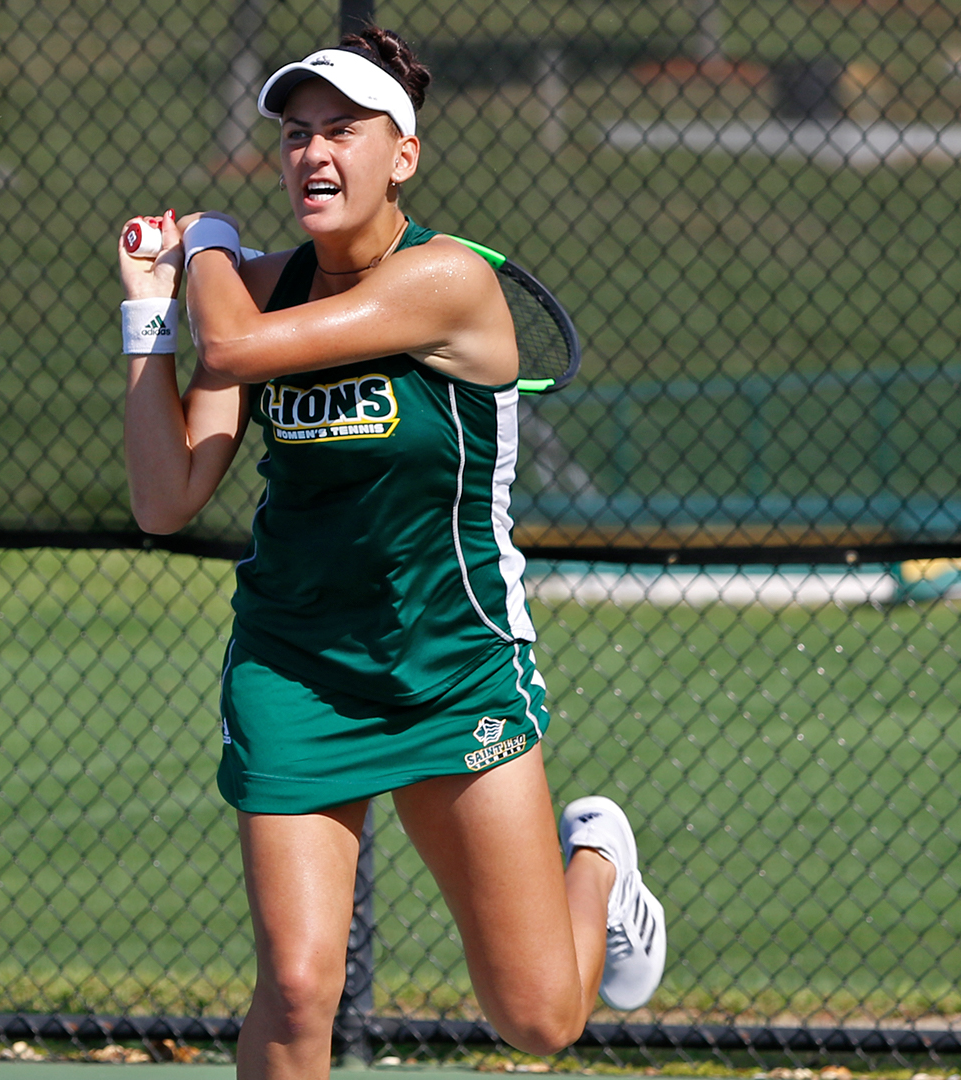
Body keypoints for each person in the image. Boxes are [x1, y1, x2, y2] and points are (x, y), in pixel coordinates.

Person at [115, 28, 665, 1079]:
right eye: (294, 134)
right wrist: (150, 310)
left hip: (451, 669)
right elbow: (166, 498)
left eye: (342, 132)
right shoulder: (259, 290)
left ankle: (596, 859)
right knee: (296, 982)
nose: (313, 154)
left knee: (538, 1021)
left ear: (402, 155)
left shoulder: (448, 282)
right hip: (296, 665)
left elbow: (227, 344)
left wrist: (210, 246)